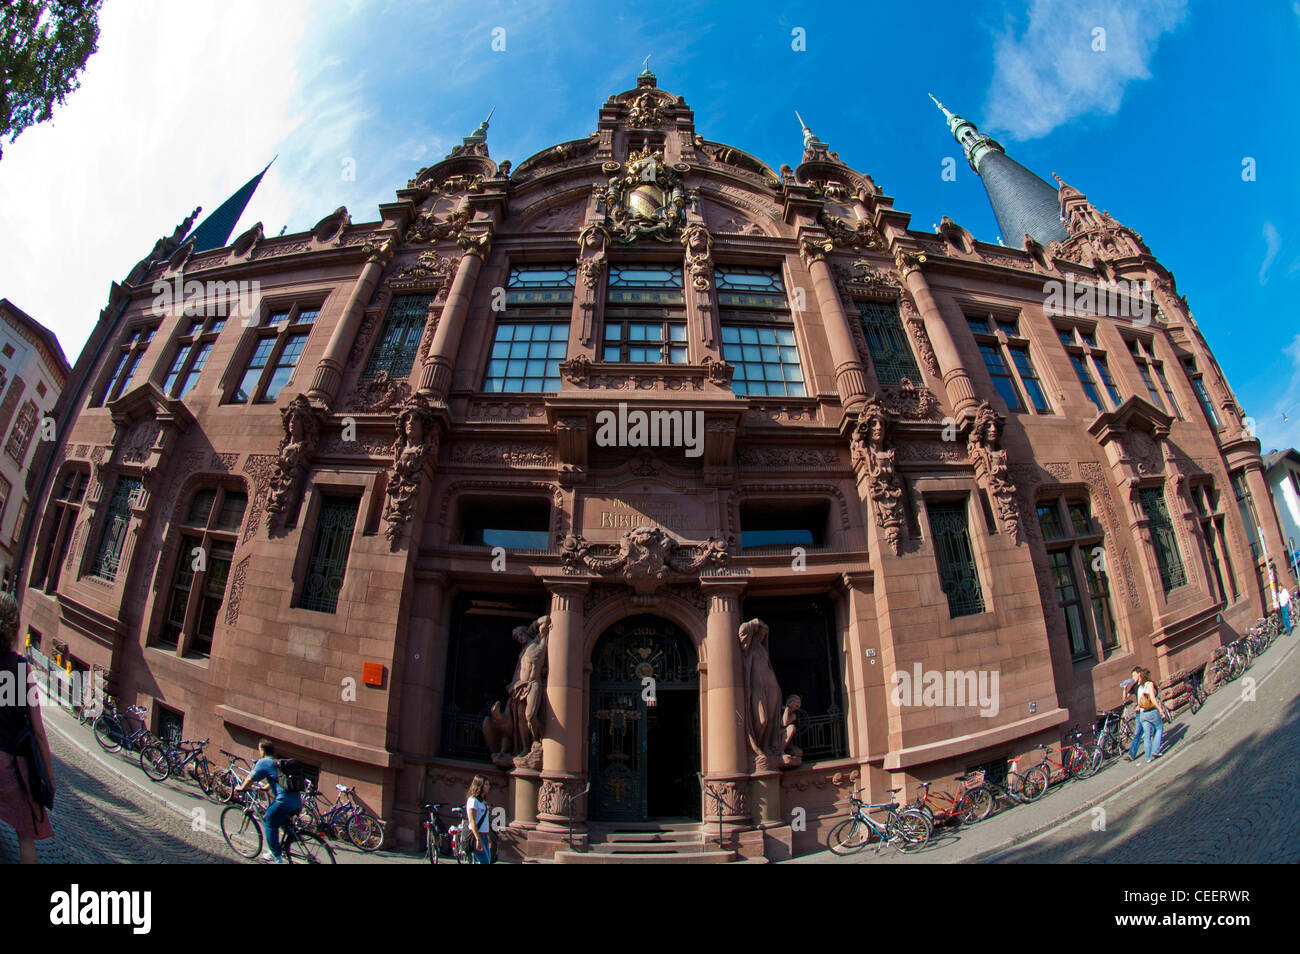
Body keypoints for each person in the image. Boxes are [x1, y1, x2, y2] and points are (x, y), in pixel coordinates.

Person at [0, 593, 55, 863]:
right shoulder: (23, 671)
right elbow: (38, 733)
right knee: (25, 838)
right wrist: (49, 777)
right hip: (12, 765)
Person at [235, 739, 300, 863]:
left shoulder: (264, 762)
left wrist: (241, 788)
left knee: (269, 821)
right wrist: (267, 786)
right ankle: (292, 838)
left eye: (259, 749)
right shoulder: (278, 762)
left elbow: (250, 779)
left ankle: (276, 857)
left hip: (283, 802)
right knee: (281, 822)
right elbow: (279, 778)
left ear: (262, 750)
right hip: (296, 801)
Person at [1123, 667, 1171, 764]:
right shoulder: (1149, 684)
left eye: (1134, 675)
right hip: (1150, 711)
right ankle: (1155, 750)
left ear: (1140, 675)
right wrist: (1160, 709)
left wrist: (1139, 707)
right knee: (1159, 728)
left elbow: (1141, 700)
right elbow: (1153, 698)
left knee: (1147, 736)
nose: (1133, 677)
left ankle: (1148, 757)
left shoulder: (1139, 687)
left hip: (1142, 713)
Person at [465, 774, 492, 864]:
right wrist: (478, 838)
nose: (489, 787)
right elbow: (472, 821)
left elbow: (485, 821)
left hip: (484, 835)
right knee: (485, 862)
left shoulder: (483, 801)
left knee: (486, 861)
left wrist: (488, 837)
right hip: (477, 835)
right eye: (486, 784)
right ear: (480, 785)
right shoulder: (473, 800)